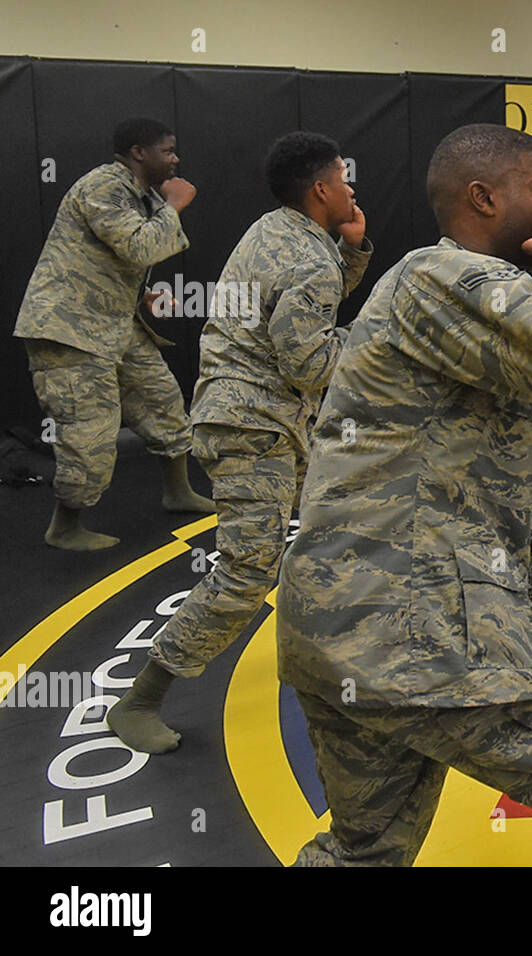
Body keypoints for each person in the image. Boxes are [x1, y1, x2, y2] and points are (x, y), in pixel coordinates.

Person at [276, 124, 532, 866]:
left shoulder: (491, 325)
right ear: (483, 198)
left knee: (365, 847)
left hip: (352, 626)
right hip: (413, 617)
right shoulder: (439, 278)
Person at [108, 132, 372, 754]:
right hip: (253, 424)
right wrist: (375, 340)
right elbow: (310, 360)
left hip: (259, 417)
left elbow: (309, 309)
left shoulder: (279, 231)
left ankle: (333, 658)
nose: (352, 187)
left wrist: (352, 251)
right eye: (343, 177)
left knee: (336, 529)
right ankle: (140, 698)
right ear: (321, 190)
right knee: (247, 572)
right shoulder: (307, 257)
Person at [14, 117, 212, 550]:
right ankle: (64, 527)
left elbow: (121, 257)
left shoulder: (138, 193)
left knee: (163, 401)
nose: (176, 159)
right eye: (168, 150)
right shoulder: (103, 186)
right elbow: (140, 245)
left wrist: (137, 295)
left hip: (113, 323)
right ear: (139, 152)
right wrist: (174, 206)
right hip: (69, 329)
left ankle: (177, 492)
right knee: (89, 432)